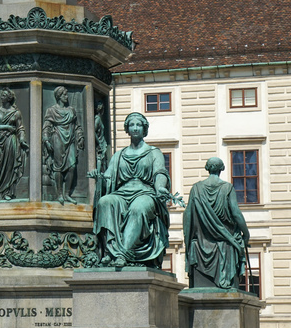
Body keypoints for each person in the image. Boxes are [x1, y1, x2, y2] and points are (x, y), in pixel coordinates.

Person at [88, 112, 171, 267]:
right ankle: (110, 250)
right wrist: (98, 177)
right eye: (131, 125)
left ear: (144, 129)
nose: (135, 128)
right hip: (122, 192)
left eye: (138, 125)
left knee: (138, 209)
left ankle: (122, 254)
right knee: (105, 202)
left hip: (145, 192)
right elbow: (108, 177)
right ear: (127, 129)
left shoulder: (154, 152)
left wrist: (160, 187)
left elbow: (160, 173)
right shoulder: (119, 155)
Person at [183, 157, 250, 289]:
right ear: (222, 169)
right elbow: (236, 213)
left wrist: (188, 239)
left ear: (207, 168)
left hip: (201, 241)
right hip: (225, 240)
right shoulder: (227, 188)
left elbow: (188, 215)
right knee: (235, 243)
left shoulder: (196, 188)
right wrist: (246, 234)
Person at [0, 88, 28, 200]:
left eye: (3, 95)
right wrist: (6, 127)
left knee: (9, 167)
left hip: (10, 140)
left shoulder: (16, 113)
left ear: (9, 98)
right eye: (1, 95)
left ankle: (7, 193)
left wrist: (22, 140)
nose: (1, 97)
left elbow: (20, 128)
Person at [42, 86, 84, 203]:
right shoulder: (52, 110)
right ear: (59, 96)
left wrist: (80, 136)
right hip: (57, 139)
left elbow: (77, 126)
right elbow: (47, 126)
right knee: (58, 167)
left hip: (70, 139)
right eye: (64, 94)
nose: (67, 96)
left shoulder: (71, 110)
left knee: (72, 166)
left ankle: (67, 194)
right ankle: (59, 194)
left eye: (67, 94)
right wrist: (46, 139)